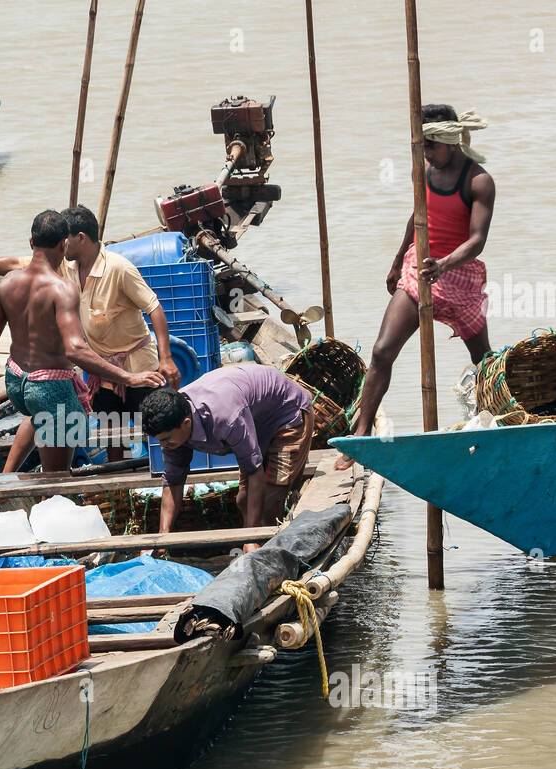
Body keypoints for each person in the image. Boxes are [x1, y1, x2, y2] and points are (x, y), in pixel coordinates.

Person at [339, 104, 496, 469]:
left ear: (451, 142)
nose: (426, 153)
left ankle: (497, 421)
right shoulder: (424, 172)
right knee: (381, 352)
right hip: (418, 269)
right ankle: (361, 433)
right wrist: (397, 262)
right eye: (422, 146)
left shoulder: (479, 182)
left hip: (457, 276)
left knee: (484, 361)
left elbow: (477, 240)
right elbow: (418, 216)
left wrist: (444, 265)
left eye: (431, 146)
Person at [0, 204, 180, 467]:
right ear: (62, 245)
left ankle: (6, 481)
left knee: (145, 428)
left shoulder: (10, 282)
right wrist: (128, 378)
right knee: (66, 457)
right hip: (67, 380)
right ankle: (39, 492)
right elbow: (75, 351)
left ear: (32, 242)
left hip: (18, 381)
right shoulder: (63, 282)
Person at [140, 365, 315, 553]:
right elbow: (173, 481)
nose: (163, 446)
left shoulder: (226, 417)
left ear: (187, 424)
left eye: (166, 439)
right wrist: (162, 537)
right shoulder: (171, 427)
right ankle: (258, 545)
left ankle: (273, 554)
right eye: (159, 441)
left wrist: (250, 537)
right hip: (254, 424)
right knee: (242, 500)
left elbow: (254, 470)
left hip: (288, 419)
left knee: (270, 503)